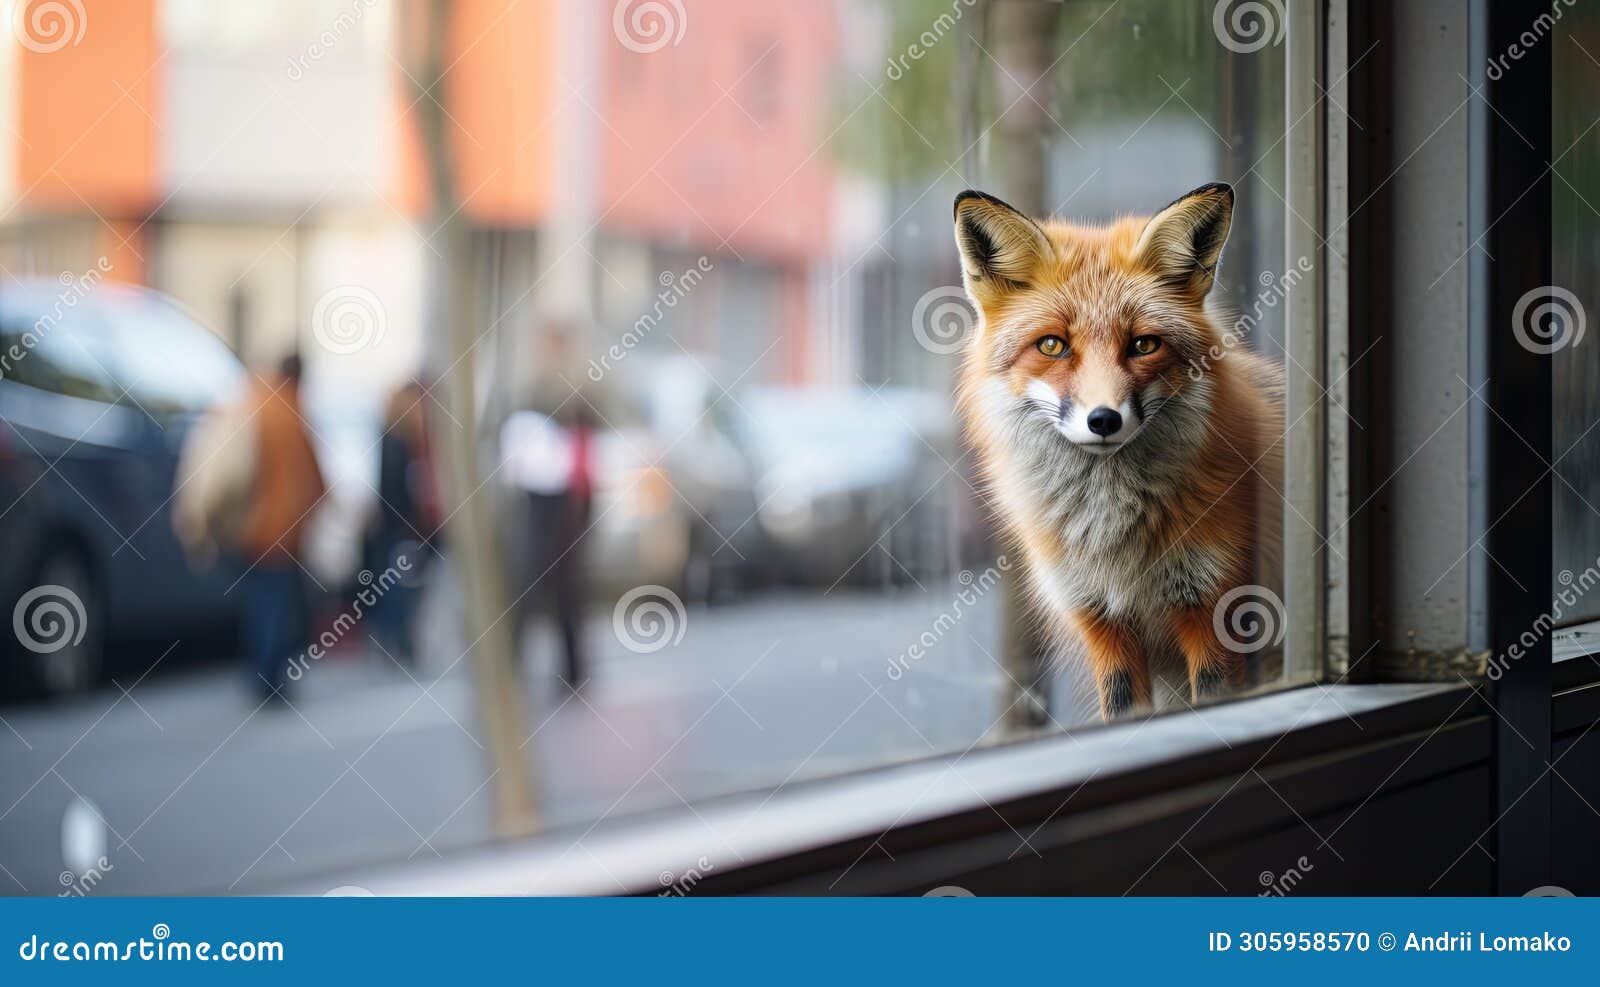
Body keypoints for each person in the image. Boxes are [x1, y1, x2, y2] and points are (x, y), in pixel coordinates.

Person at [501, 325, 595, 690]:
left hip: (569, 498)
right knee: (531, 581)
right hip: (542, 495)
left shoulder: (579, 388)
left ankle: (571, 670)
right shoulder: (535, 389)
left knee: (564, 588)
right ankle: (517, 663)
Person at [234, 352, 326, 704]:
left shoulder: (254, 403)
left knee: (258, 602)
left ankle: (258, 672)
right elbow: (310, 474)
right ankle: (270, 678)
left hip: (249, 526)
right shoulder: (289, 412)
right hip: (281, 529)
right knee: (276, 606)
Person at [365, 379, 437, 666]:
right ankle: (398, 643)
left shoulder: (393, 434)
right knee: (398, 587)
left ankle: (395, 641)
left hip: (395, 525)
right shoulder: (400, 437)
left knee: (396, 585)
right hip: (398, 526)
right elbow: (398, 486)